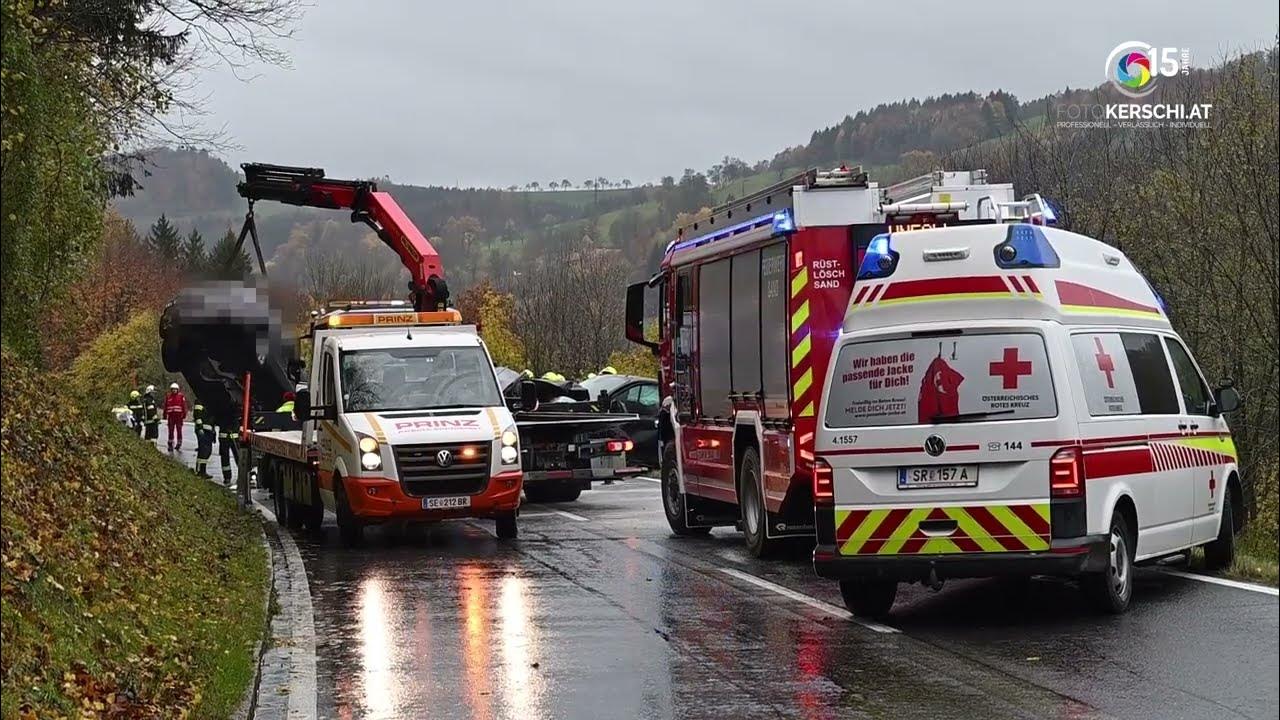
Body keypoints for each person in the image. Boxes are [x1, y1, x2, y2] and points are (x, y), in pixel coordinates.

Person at [163, 382, 187, 452]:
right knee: (170, 430)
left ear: (177, 390)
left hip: (179, 416)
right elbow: (165, 406)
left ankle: (179, 443)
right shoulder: (168, 396)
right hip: (171, 416)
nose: (174, 390)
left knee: (179, 430)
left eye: (175, 389)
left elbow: (184, 406)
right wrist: (164, 414)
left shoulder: (181, 396)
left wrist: (184, 414)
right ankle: (170, 444)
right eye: (173, 389)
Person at [192, 404, 214, 478]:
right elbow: (197, 414)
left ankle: (202, 471)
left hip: (209, 430)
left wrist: (213, 431)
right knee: (203, 451)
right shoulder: (200, 401)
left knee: (207, 451)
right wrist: (200, 427)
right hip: (202, 429)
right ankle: (200, 471)